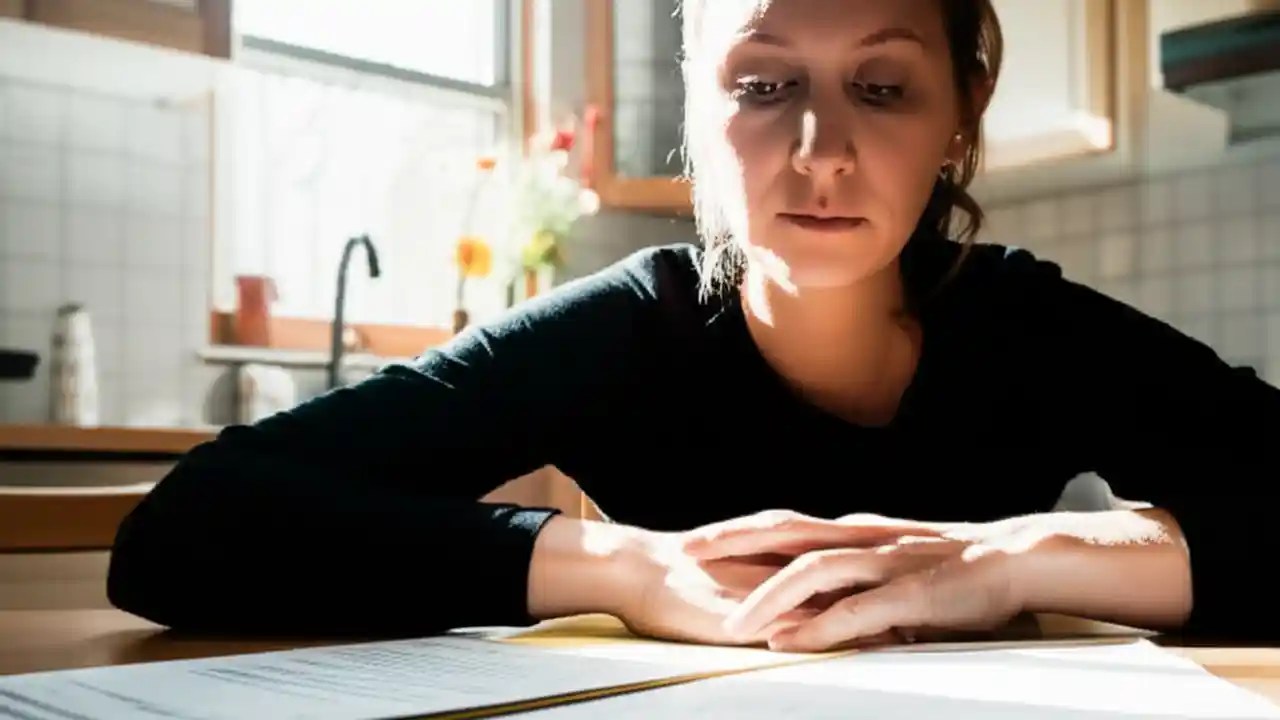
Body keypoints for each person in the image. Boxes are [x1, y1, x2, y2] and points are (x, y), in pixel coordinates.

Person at [107, 0, 1279, 653]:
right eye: (763, 86)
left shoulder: (1029, 328)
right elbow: (185, 530)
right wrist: (621, 566)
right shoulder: (625, 330)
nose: (819, 152)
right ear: (698, 107)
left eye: (879, 88)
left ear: (958, 122)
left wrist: (1003, 558)